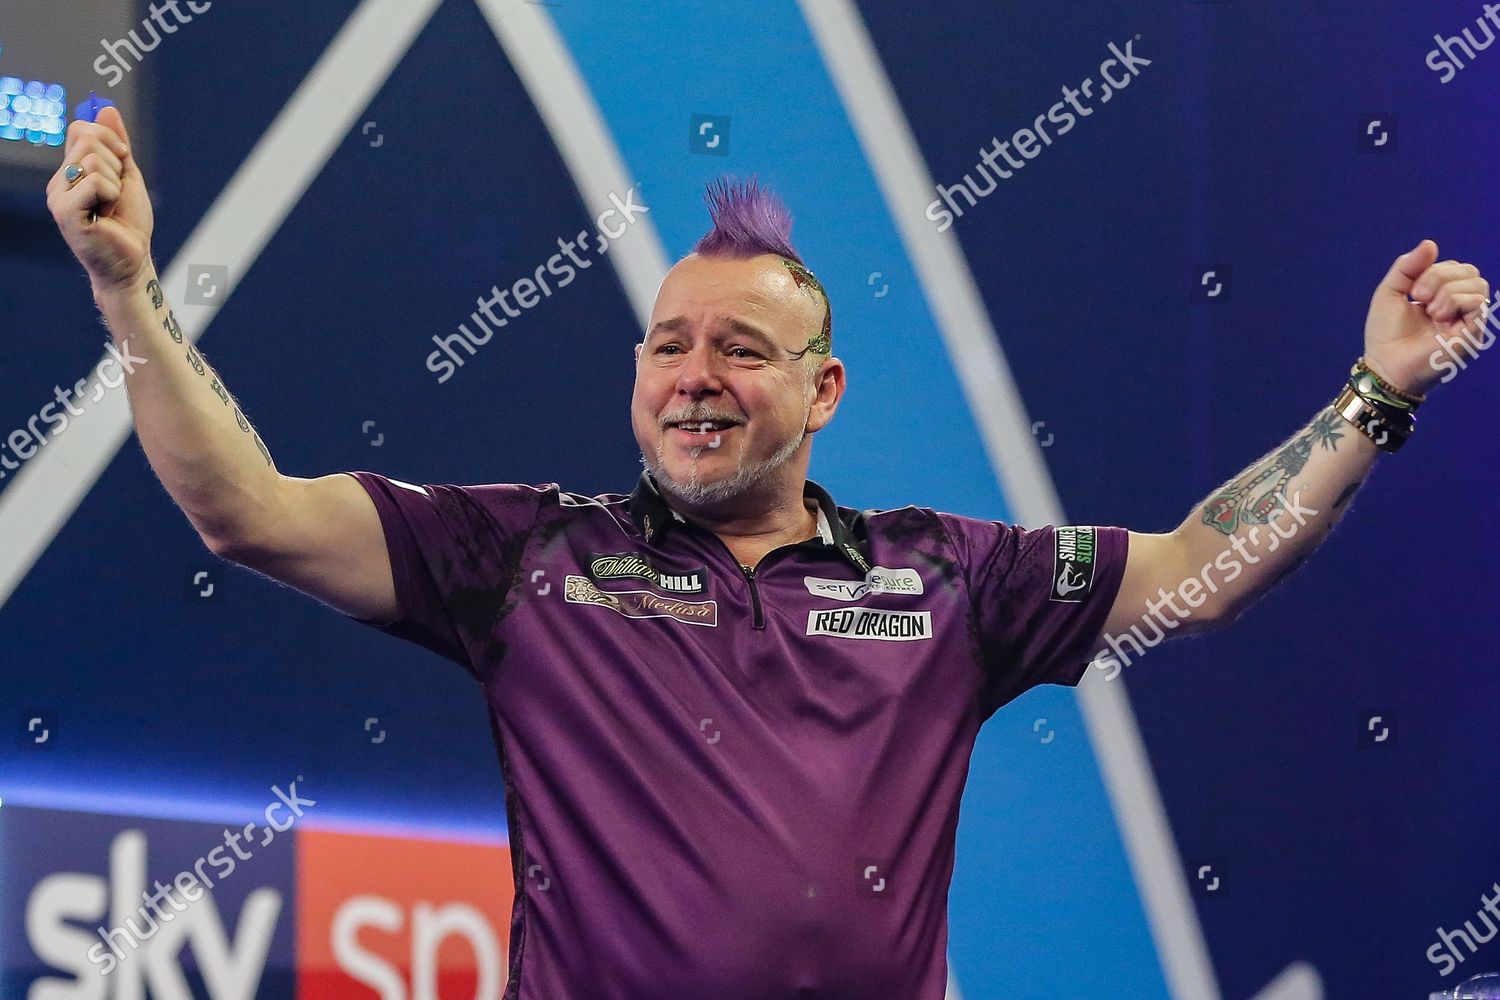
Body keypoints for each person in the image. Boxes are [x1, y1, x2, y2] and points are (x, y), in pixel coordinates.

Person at [48, 107, 1492, 998]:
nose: (693, 374)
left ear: (823, 392)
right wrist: (126, 289)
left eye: (741, 349)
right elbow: (246, 507)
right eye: (668, 344)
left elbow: (1198, 567)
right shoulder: (525, 559)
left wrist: (1373, 398)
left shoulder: (949, 580)